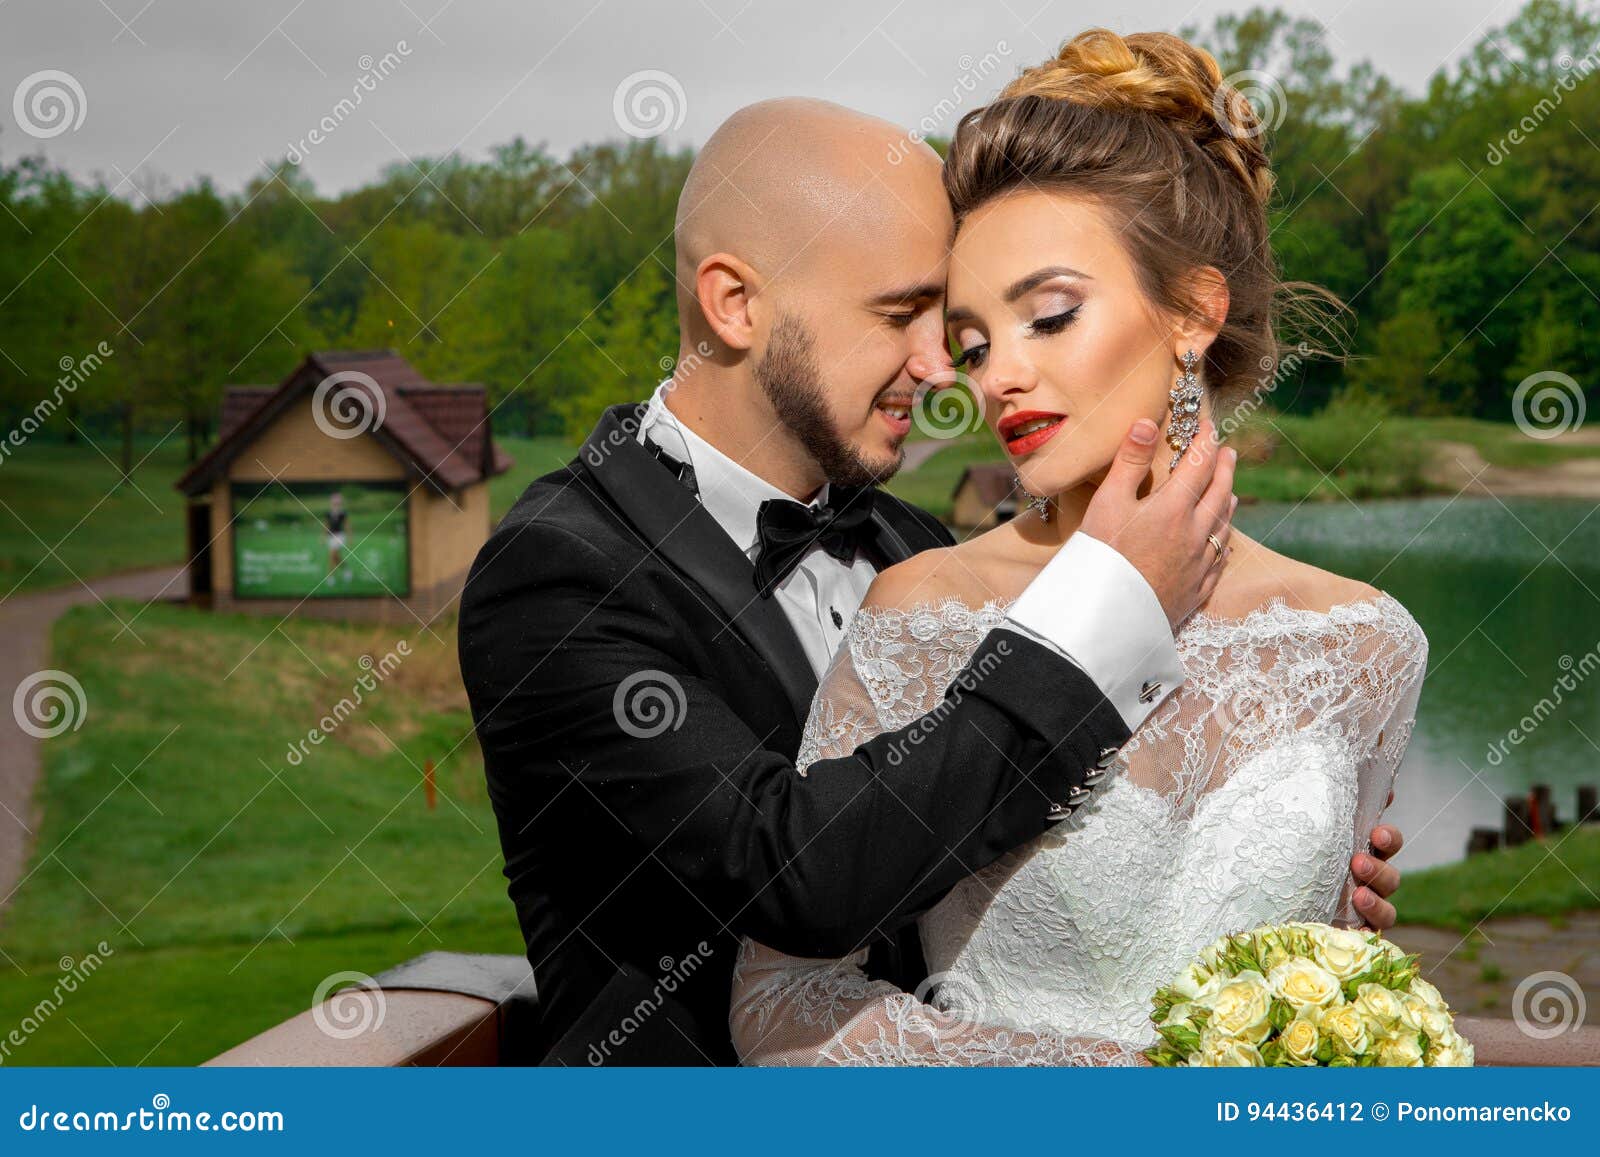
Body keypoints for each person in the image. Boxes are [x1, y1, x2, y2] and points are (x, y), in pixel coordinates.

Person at [458, 93, 1404, 1067]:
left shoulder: (911, 546)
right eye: (900, 315)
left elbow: (977, 843)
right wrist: (1109, 612)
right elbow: (795, 877)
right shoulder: (560, 575)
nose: (943, 367)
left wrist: (1289, 877)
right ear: (735, 303)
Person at [729, 29, 1426, 1067]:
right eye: (973, 343)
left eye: (1048, 316)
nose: (995, 375)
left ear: (1193, 312)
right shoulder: (919, 614)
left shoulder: (1368, 644)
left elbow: (1322, 977)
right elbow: (780, 1001)